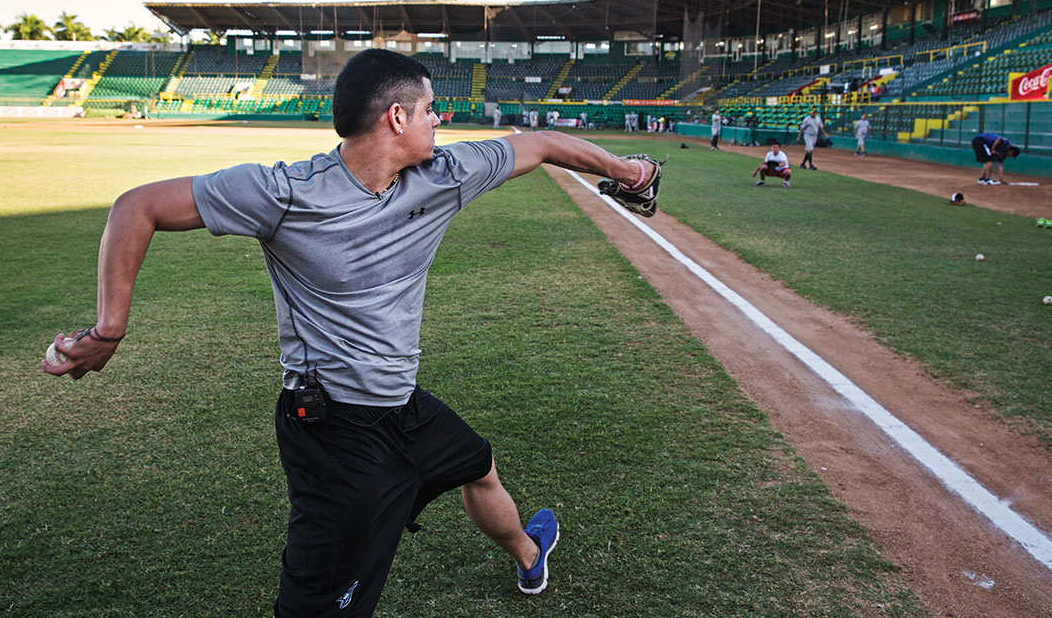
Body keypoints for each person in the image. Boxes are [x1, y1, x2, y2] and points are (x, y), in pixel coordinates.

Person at [41, 49, 664, 617]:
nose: (439, 120)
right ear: (397, 117)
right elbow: (137, 206)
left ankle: (529, 558)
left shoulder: (443, 175)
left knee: (478, 464)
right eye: (429, 109)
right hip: (333, 430)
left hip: (402, 403)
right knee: (320, 606)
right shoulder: (285, 193)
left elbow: (541, 144)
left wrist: (629, 171)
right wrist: (110, 329)